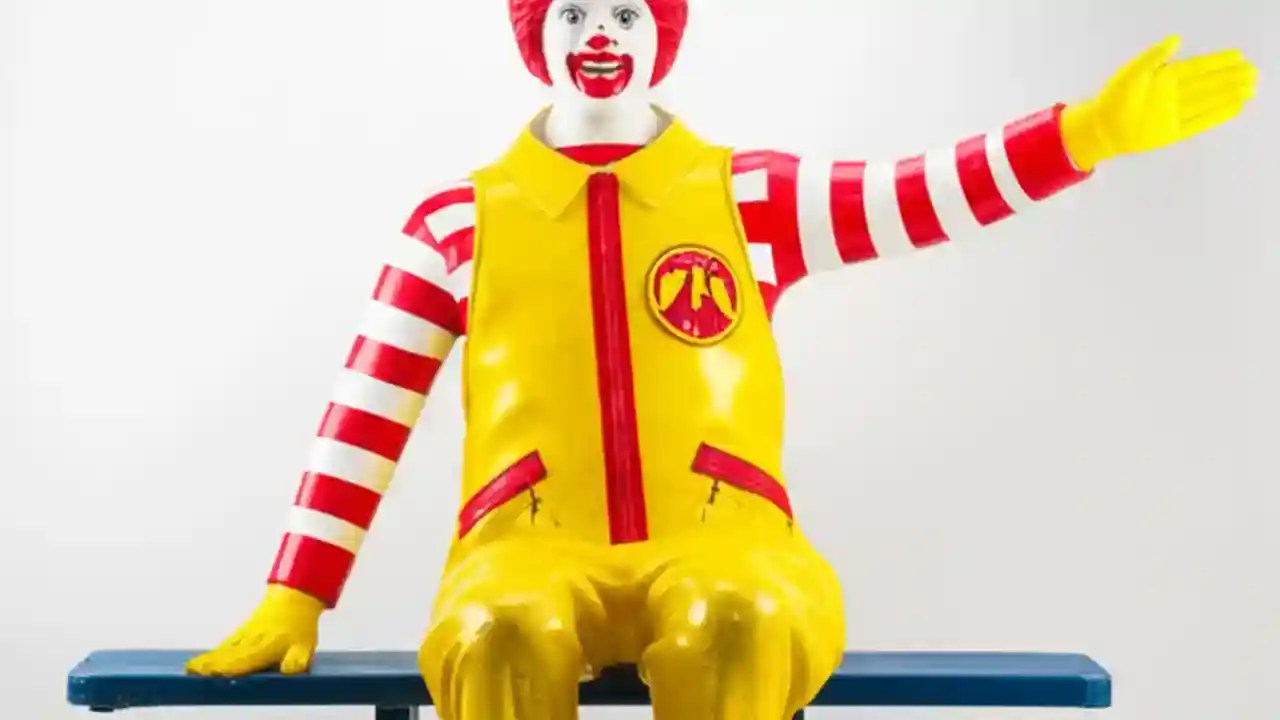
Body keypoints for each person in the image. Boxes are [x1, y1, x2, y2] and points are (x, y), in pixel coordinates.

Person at [185, 1, 1257, 718]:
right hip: (520, 548)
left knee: (739, 623)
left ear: (661, 32)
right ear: (533, 31)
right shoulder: (456, 223)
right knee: (496, 633)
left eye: (625, 12)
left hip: (726, 538)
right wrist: (297, 593)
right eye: (573, 10)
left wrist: (1080, 135)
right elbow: (368, 411)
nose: (599, 34)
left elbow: (917, 193)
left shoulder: (748, 198)